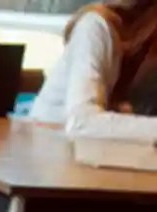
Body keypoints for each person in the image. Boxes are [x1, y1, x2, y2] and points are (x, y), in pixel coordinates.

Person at [31, 0, 157, 139]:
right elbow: (82, 122)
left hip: (88, 148)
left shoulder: (140, 55)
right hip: (46, 145)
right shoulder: (95, 26)